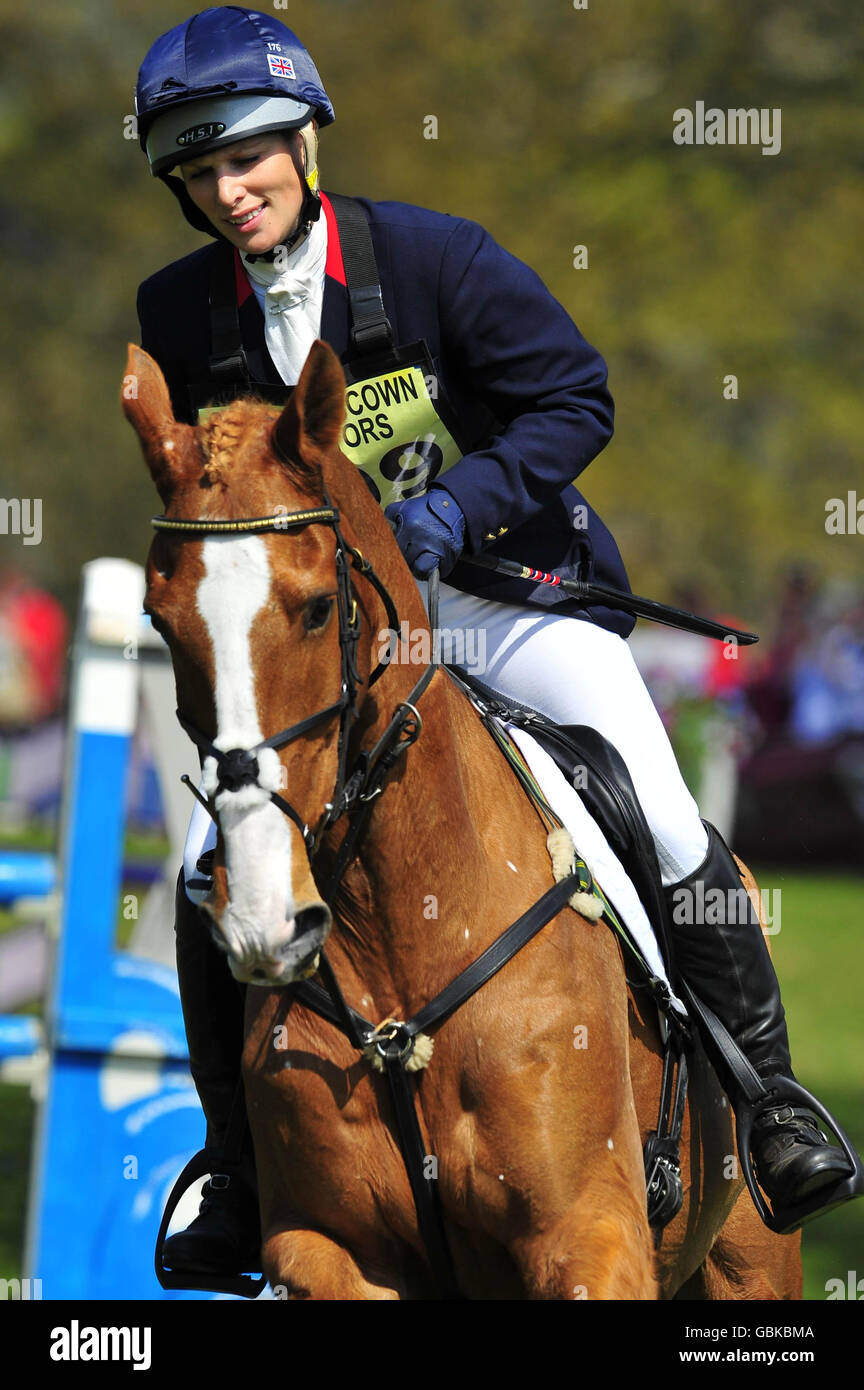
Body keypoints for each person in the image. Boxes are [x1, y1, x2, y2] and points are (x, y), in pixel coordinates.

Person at [133, 7, 857, 1278]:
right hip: (332, 639)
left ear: (305, 140)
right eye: (200, 173)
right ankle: (239, 1170)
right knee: (212, 862)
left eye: (245, 158)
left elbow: (578, 395)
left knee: (663, 808)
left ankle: (772, 1103)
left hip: (498, 601)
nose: (227, 191)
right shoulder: (181, 309)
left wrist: (451, 508)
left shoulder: (433, 261)